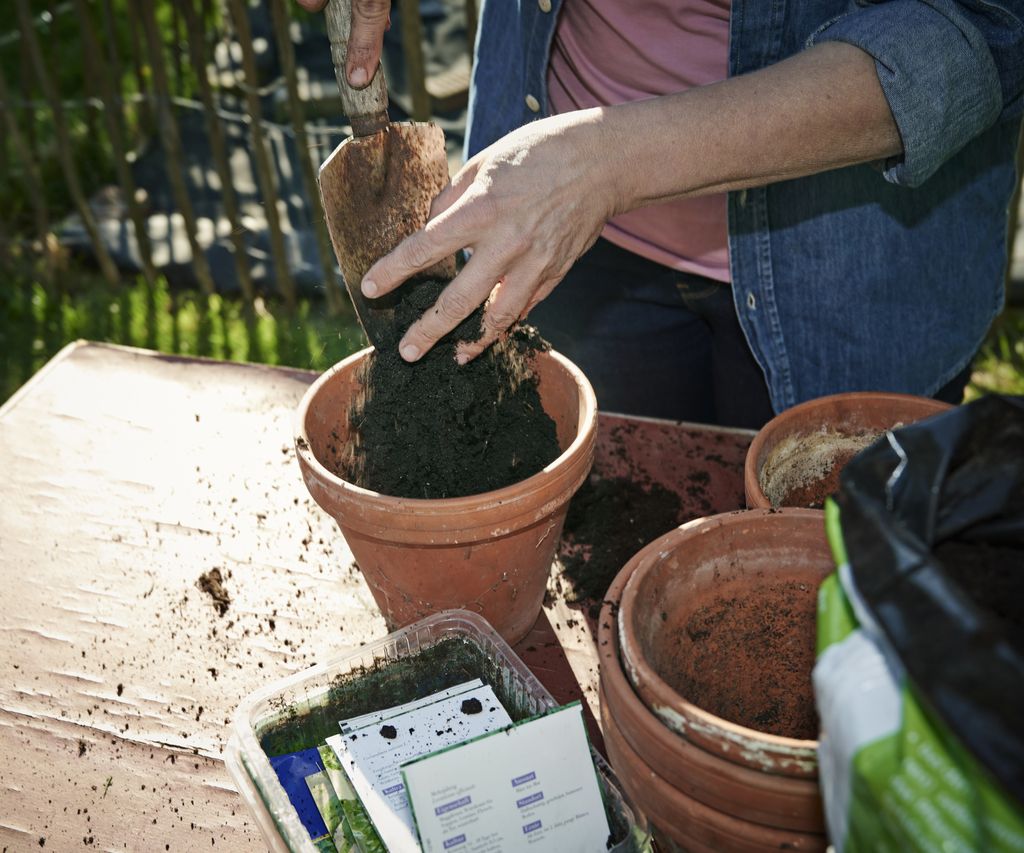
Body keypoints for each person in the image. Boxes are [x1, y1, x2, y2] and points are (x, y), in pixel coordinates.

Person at [299, 0, 1024, 428]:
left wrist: (609, 162)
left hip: (857, 265)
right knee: (611, 566)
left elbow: (984, 28)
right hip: (570, 247)